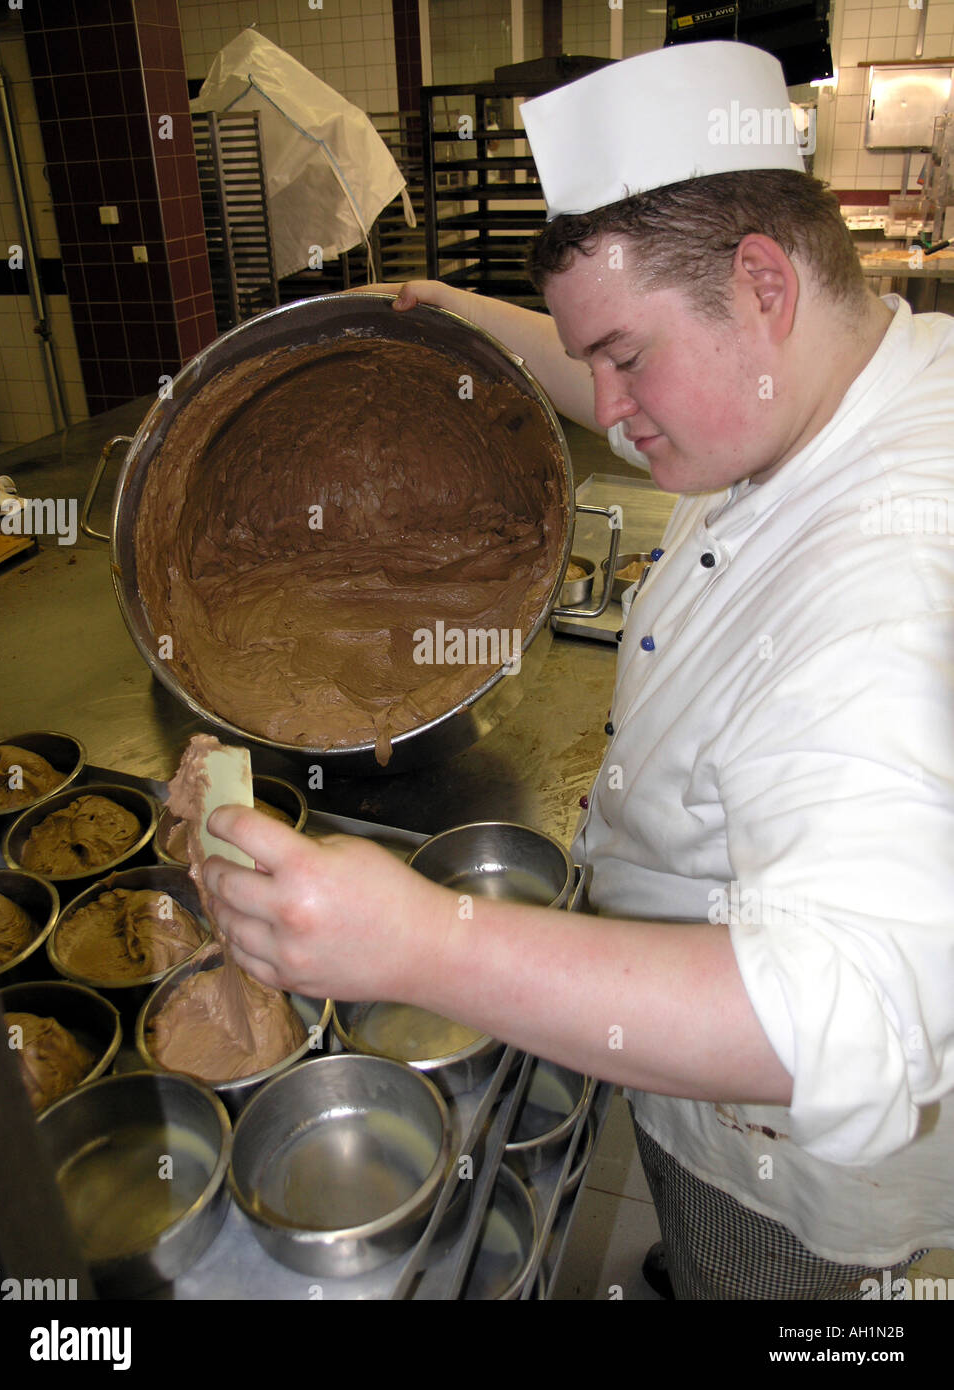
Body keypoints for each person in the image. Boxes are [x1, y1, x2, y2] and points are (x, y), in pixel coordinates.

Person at [202, 41, 954, 1299]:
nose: (606, 408)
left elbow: (852, 1020)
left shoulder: (881, 577)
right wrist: (474, 321)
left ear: (761, 282)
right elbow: (669, 377)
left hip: (776, 1178)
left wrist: (424, 943)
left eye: (621, 356)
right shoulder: (866, 373)